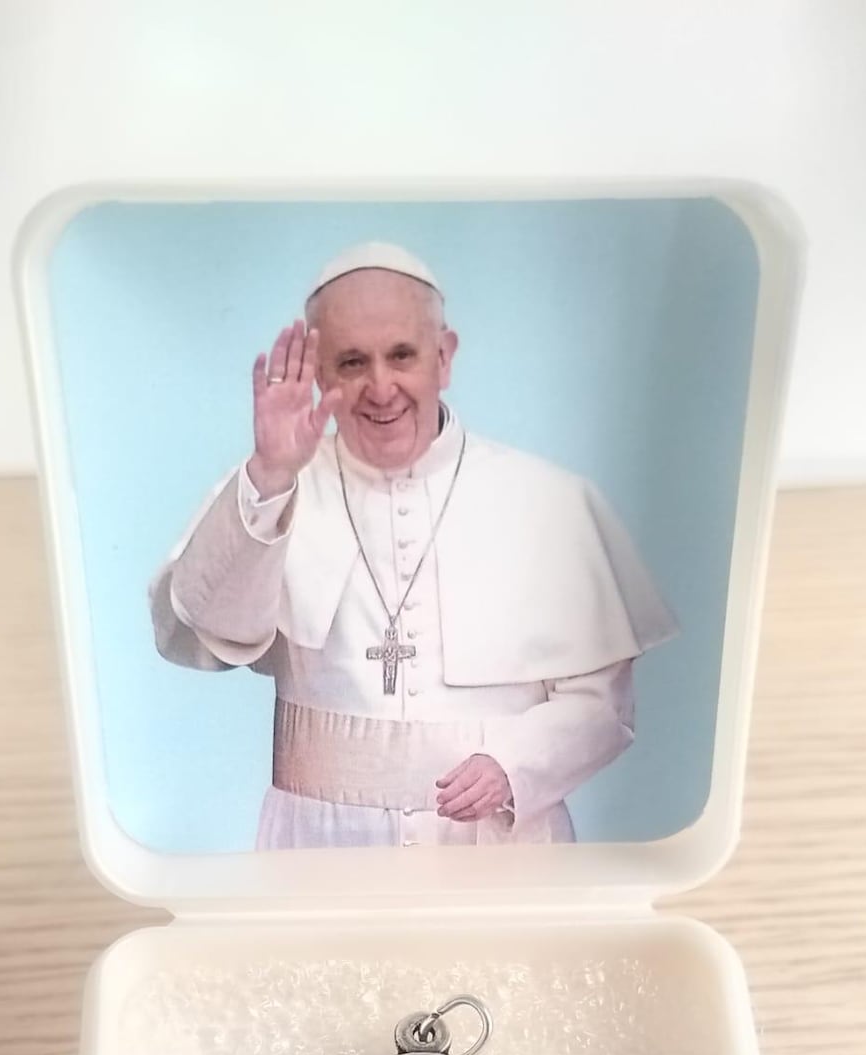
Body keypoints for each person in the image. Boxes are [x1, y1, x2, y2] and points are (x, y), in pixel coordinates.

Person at [150, 240, 676, 850]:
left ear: (443, 358)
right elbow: (206, 635)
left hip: (498, 847)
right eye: (352, 362)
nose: (381, 388)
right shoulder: (269, 489)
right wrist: (270, 476)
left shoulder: (550, 499)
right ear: (320, 374)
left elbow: (602, 705)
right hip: (318, 852)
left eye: (402, 355)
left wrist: (514, 766)